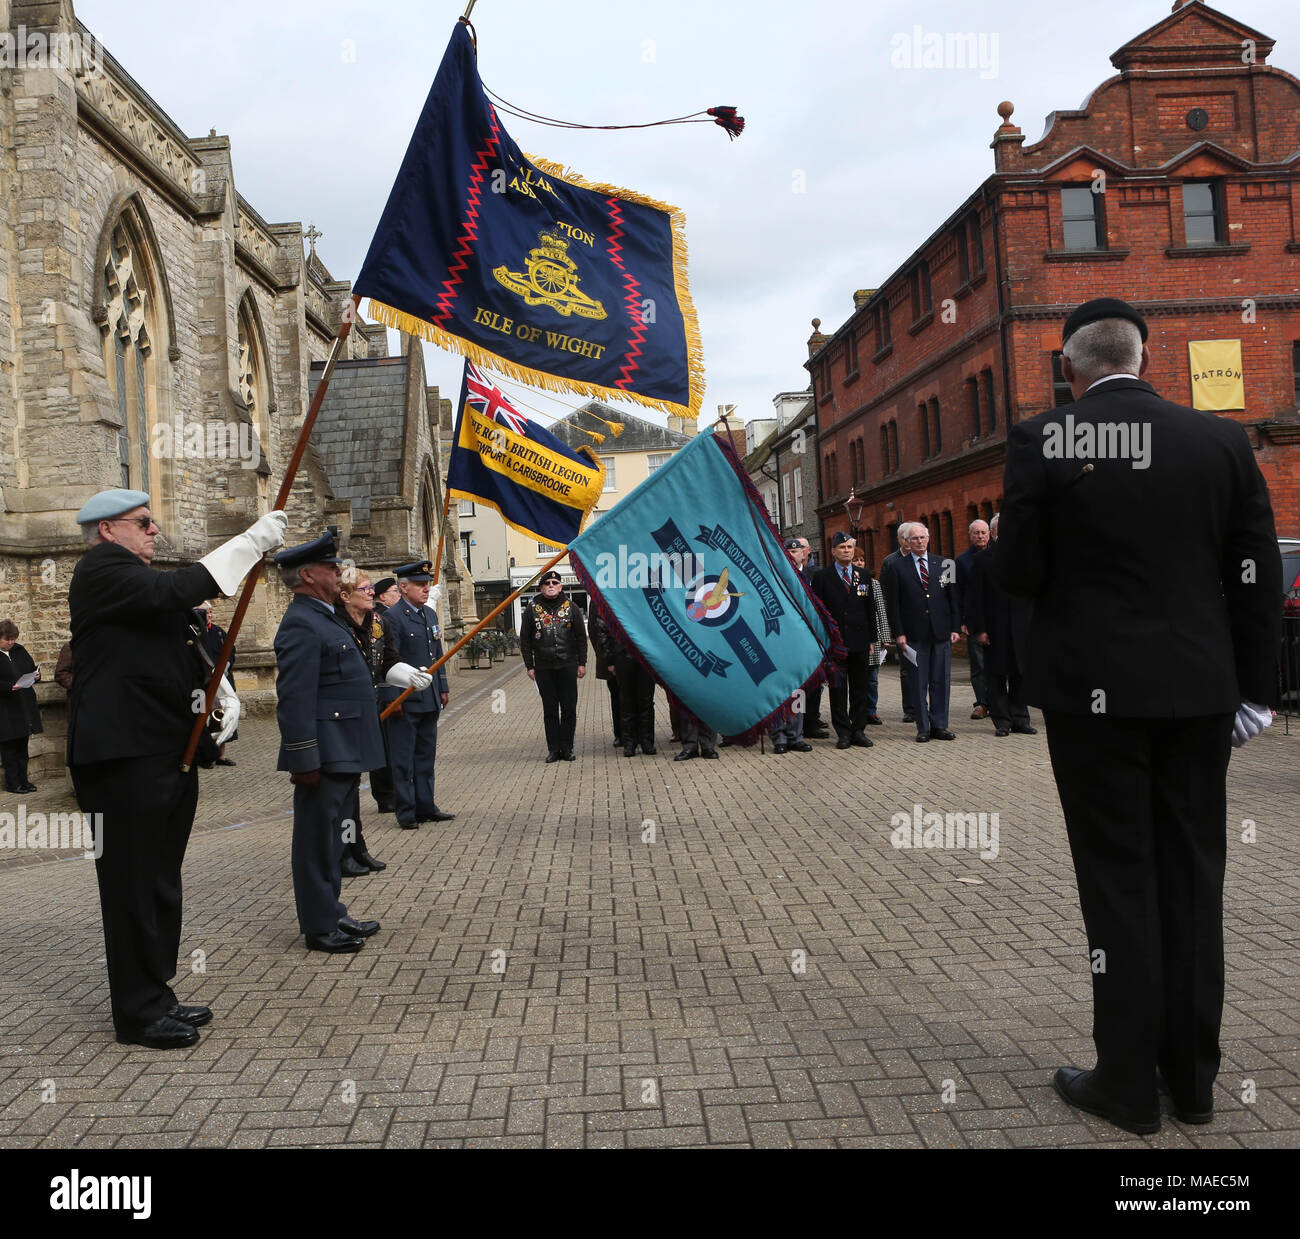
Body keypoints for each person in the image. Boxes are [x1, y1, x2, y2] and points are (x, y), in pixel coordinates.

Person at [992, 297, 1281, 1135]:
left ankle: (1125, 1081)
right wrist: (1258, 690)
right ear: (1145, 359)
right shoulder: (1223, 440)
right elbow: (1256, 574)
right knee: (1193, 877)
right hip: (1200, 693)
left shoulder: (1046, 440)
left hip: (1093, 698)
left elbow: (1016, 572)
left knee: (1119, 882)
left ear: (1070, 367)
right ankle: (1192, 1082)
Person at [67, 487, 286, 1048]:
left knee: (159, 880)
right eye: (143, 523)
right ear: (108, 530)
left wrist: (208, 726)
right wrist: (247, 543)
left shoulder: (133, 581)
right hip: (123, 761)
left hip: (162, 754)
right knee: (133, 885)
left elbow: (177, 653)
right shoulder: (101, 569)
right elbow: (177, 588)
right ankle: (137, 1014)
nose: (154, 530)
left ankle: (156, 992)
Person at [273, 533, 404, 953]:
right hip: (324, 752)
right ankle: (318, 926)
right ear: (308, 575)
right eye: (330, 568)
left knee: (332, 839)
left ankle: (332, 911)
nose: (337, 572)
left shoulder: (325, 616)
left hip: (344, 746)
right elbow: (295, 698)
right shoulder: (301, 622)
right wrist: (303, 759)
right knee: (315, 841)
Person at [379, 561, 452, 828]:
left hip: (429, 697)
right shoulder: (392, 618)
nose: (426, 589)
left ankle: (426, 805)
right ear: (403, 587)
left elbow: (437, 654)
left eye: (427, 584)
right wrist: (392, 696)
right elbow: (387, 660)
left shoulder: (429, 615)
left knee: (425, 756)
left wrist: (442, 687)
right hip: (405, 699)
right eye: (420, 585)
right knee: (403, 759)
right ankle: (407, 811)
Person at [883, 524, 960, 742]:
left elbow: (954, 598)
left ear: (928, 538)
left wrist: (955, 627)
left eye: (922, 537)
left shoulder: (946, 564)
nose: (919, 541)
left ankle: (940, 725)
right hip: (913, 634)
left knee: (941, 681)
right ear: (906, 541)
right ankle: (923, 727)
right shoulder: (896, 567)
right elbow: (893, 604)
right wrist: (898, 632)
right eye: (914, 538)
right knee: (918, 682)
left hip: (941, 631)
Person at [337, 566, 388, 875]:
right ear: (345, 596)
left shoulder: (373, 622)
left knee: (353, 791)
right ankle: (343, 852)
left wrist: (402, 672)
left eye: (371, 588)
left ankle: (357, 847)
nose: (372, 593)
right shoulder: (338, 625)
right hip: (342, 721)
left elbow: (387, 658)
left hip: (365, 713)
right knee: (343, 796)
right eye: (365, 589)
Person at [967, 515, 1035, 738]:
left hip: (1021, 627)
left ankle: (1020, 718)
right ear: (995, 532)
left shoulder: (1024, 558)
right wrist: (980, 629)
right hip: (995, 628)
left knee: (1020, 674)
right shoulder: (983, 559)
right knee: (996, 675)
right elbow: (975, 598)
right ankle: (1002, 721)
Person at [810, 531, 876, 751]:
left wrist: (872, 639)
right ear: (833, 551)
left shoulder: (863, 575)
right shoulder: (822, 577)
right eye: (842, 548)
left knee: (860, 687)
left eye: (849, 547)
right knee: (838, 689)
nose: (846, 551)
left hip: (859, 640)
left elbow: (870, 609)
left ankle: (858, 730)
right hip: (835, 642)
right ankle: (843, 732)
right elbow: (817, 611)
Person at [521, 570, 588, 762]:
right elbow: (525, 639)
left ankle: (567, 748)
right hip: (543, 667)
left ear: (560, 587)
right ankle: (553, 749)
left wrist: (582, 663)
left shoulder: (572, 607)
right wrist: (529, 666)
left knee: (568, 708)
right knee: (550, 710)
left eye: (555, 582)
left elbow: (581, 637)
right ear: (541, 587)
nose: (551, 585)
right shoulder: (532, 608)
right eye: (547, 583)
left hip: (567, 664)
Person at [769, 537, 815, 754]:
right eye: (789, 552)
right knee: (779, 690)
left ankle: (796, 735)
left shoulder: (812, 576)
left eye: (797, 552)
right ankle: (778, 736)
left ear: (804, 553)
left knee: (798, 690)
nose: (793, 555)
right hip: (778, 639)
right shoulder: (772, 576)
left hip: (802, 641)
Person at [879, 523, 918, 723]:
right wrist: (889, 625)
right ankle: (910, 709)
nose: (910, 542)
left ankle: (922, 705)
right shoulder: (891, 562)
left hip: (921, 620)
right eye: (906, 538)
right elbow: (884, 594)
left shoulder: (923, 559)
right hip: (901, 621)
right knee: (906, 668)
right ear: (900, 540)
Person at [955, 520, 992, 720]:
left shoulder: (998, 556)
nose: (980, 536)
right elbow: (957, 592)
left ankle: (1000, 702)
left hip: (996, 619)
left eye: (983, 532)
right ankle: (982, 703)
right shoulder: (960, 562)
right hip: (973, 621)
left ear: (990, 533)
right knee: (978, 664)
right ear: (970, 535)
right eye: (976, 533)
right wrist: (961, 620)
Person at [0, 620, 42, 793]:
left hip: (22, 705)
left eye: (13, 639)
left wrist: (37, 675)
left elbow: (30, 669)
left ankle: (24, 781)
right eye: (6, 639)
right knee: (9, 749)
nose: (11, 642)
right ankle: (13, 783)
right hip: (5, 709)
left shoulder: (19, 650)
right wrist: (9, 687)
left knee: (22, 748)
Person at [195, 602, 237, 766]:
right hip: (198, 685)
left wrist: (226, 665)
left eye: (211, 612)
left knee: (219, 718)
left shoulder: (218, 632)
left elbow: (230, 650)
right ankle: (201, 754)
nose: (209, 615)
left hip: (221, 682)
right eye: (206, 612)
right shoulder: (193, 632)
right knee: (198, 718)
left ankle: (219, 755)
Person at [615, 632, 657, 757]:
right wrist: (609, 659)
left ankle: (647, 741)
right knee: (626, 703)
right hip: (622, 656)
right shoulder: (617, 611)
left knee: (646, 702)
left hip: (646, 657)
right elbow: (606, 630)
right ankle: (629, 743)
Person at [588, 609, 622, 748]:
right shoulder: (598, 596)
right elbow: (593, 630)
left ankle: (638, 734)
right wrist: (605, 657)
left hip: (634, 658)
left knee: (638, 697)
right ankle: (620, 734)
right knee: (617, 698)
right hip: (611, 658)